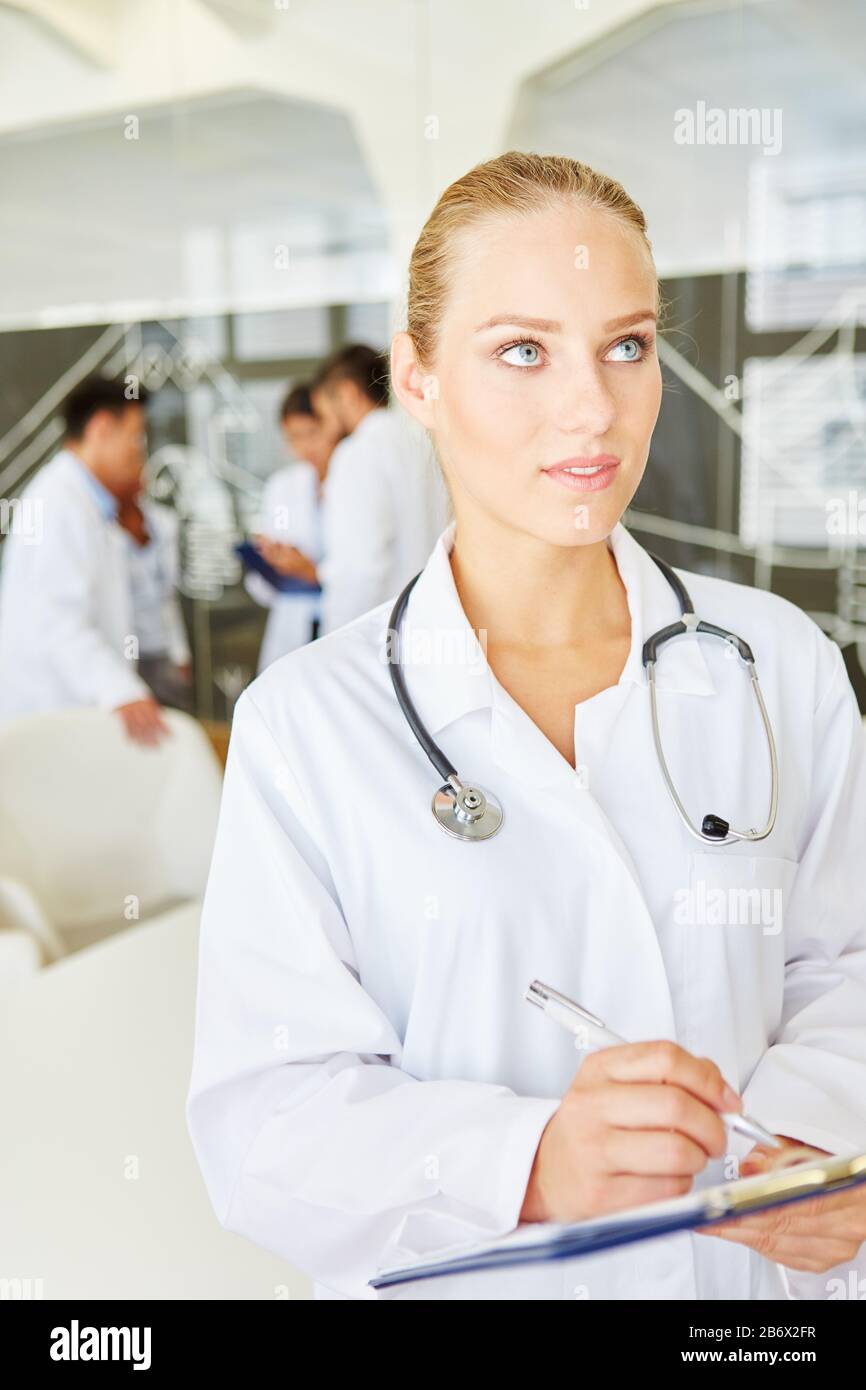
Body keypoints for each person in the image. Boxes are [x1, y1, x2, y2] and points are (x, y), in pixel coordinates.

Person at [186, 152, 866, 1301]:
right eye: (520, 350)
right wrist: (529, 1161)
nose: (591, 406)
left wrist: (803, 1148)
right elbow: (265, 1120)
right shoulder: (306, 727)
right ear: (417, 376)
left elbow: (843, 967)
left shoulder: (778, 665)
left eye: (626, 345)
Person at [0, 377, 170, 745]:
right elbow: (56, 617)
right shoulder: (58, 504)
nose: (140, 452)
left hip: (68, 713)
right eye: (135, 436)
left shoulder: (90, 505)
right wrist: (119, 689)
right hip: (45, 712)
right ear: (102, 429)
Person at [310, 343, 450, 634]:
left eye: (325, 408)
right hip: (431, 617)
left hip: (378, 629)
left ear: (348, 393)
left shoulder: (356, 453)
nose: (325, 422)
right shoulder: (422, 443)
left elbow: (360, 566)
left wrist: (337, 640)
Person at [244, 384, 337, 670]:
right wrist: (269, 562)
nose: (305, 447)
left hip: (338, 619)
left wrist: (314, 572)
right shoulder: (282, 486)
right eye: (294, 438)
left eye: (311, 433)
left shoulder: (353, 480)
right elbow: (261, 587)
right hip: (292, 626)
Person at [118, 488, 193, 711]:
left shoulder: (163, 524)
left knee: (174, 721)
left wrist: (180, 653)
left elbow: (167, 597)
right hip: (122, 650)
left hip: (160, 648)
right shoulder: (101, 529)